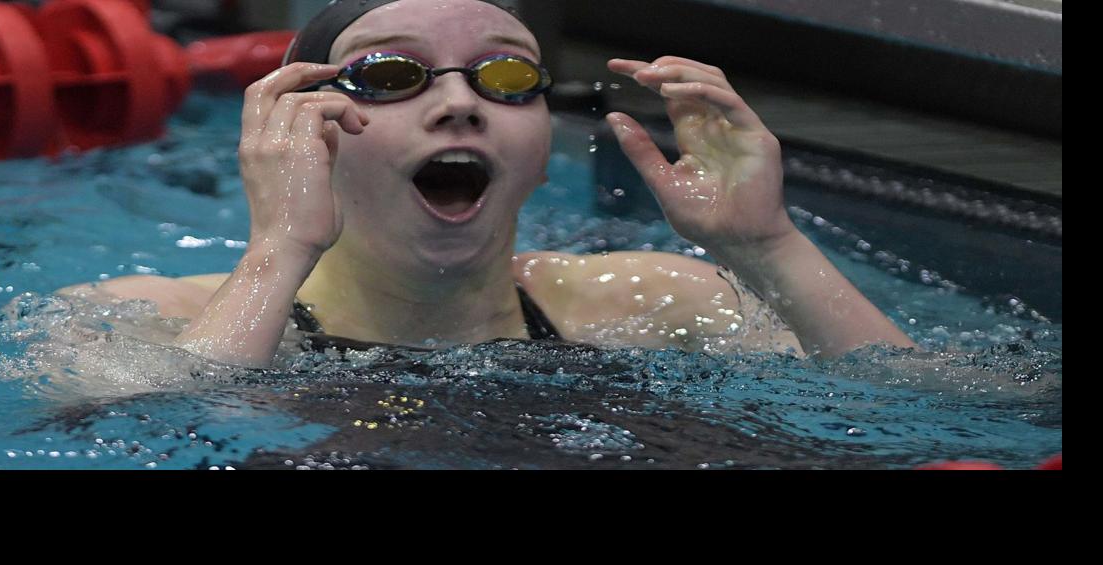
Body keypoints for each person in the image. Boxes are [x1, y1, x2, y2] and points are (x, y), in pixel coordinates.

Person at [58, 0, 916, 366]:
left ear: (543, 152)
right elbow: (157, 429)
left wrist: (766, 245)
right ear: (295, 134)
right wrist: (278, 246)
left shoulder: (653, 300)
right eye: (393, 74)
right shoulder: (135, 318)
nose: (461, 104)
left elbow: (916, 410)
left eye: (506, 78)